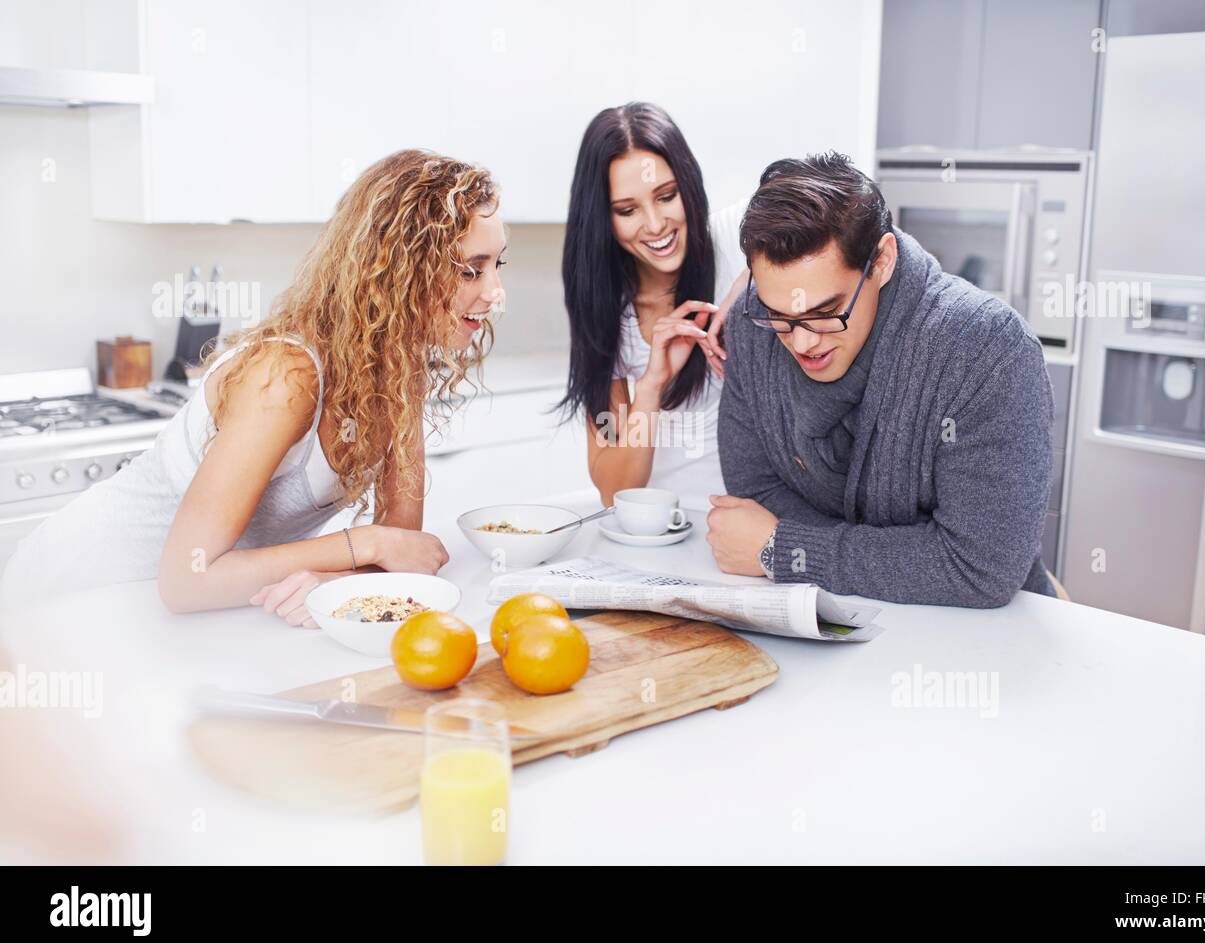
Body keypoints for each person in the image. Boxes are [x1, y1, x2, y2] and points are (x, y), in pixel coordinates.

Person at [0, 150, 506, 625]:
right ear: (399, 271)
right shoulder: (286, 375)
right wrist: (361, 546)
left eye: (496, 265)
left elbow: (403, 544)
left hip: (174, 616)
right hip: (72, 591)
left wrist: (333, 582)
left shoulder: (397, 368)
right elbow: (187, 580)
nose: (494, 294)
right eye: (470, 270)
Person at [707, 152, 1054, 608]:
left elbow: (978, 568)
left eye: (825, 312)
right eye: (780, 315)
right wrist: (909, 554)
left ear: (883, 261)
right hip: (827, 630)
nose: (803, 341)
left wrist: (783, 548)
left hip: (983, 647)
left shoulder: (988, 351)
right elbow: (755, 494)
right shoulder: (752, 327)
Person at [558, 102, 748, 511]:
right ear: (602, 219)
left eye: (666, 196)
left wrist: (745, 288)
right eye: (627, 210)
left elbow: (853, 219)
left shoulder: (736, 239)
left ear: (688, 184)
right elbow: (614, 489)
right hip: (664, 532)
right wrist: (650, 387)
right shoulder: (606, 307)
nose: (656, 224)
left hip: (749, 531)